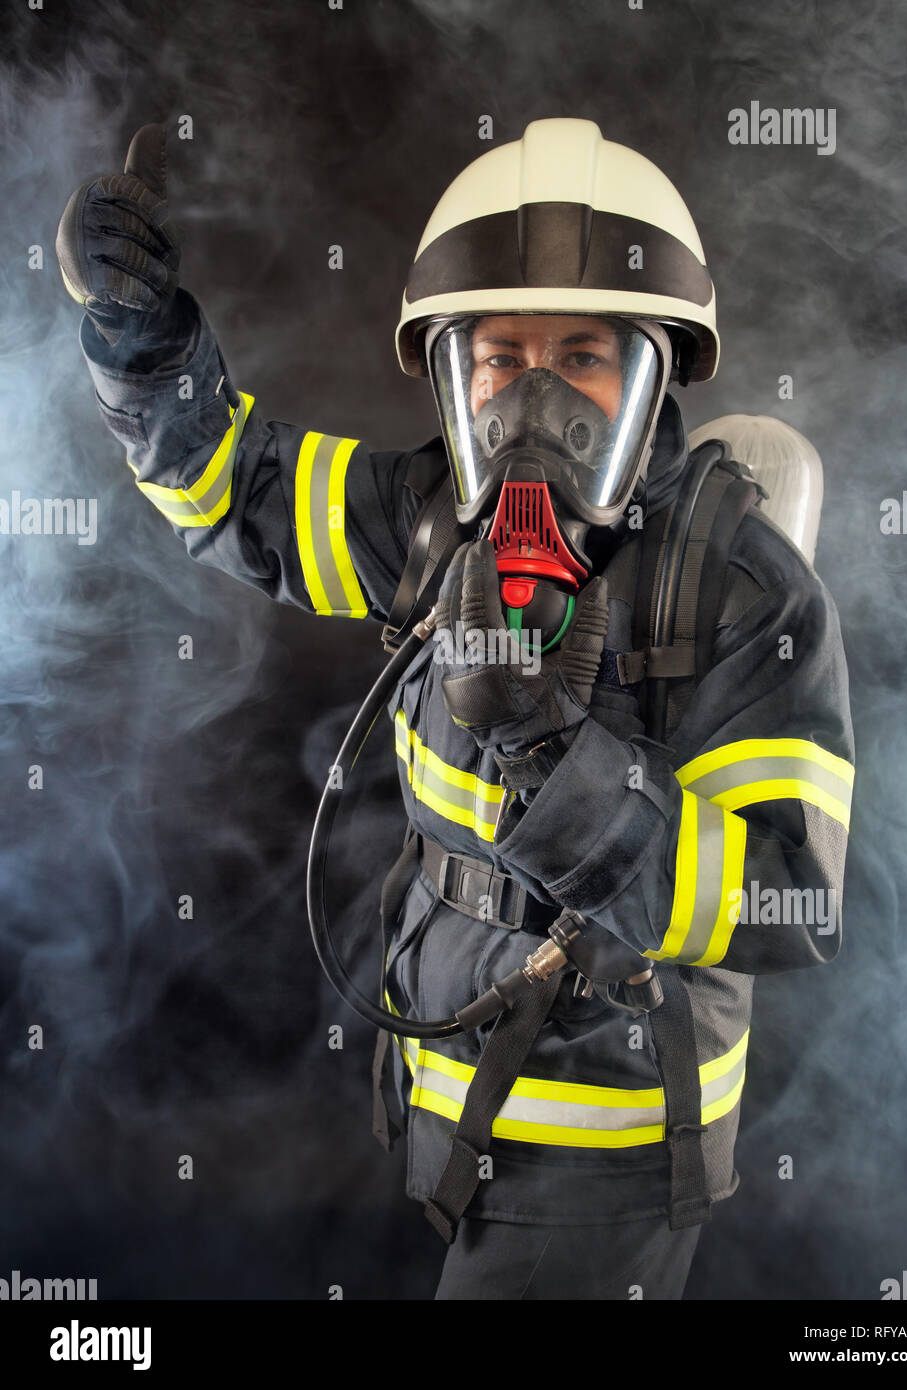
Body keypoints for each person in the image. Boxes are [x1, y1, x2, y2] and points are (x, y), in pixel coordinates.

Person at [57, 117, 855, 1301]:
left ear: (654, 373)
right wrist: (138, 336)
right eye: (499, 358)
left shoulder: (738, 587)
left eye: (582, 356)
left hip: (602, 1148)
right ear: (452, 371)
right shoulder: (433, 517)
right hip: (445, 1094)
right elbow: (226, 486)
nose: (533, 403)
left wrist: (554, 752)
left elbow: (793, 901)